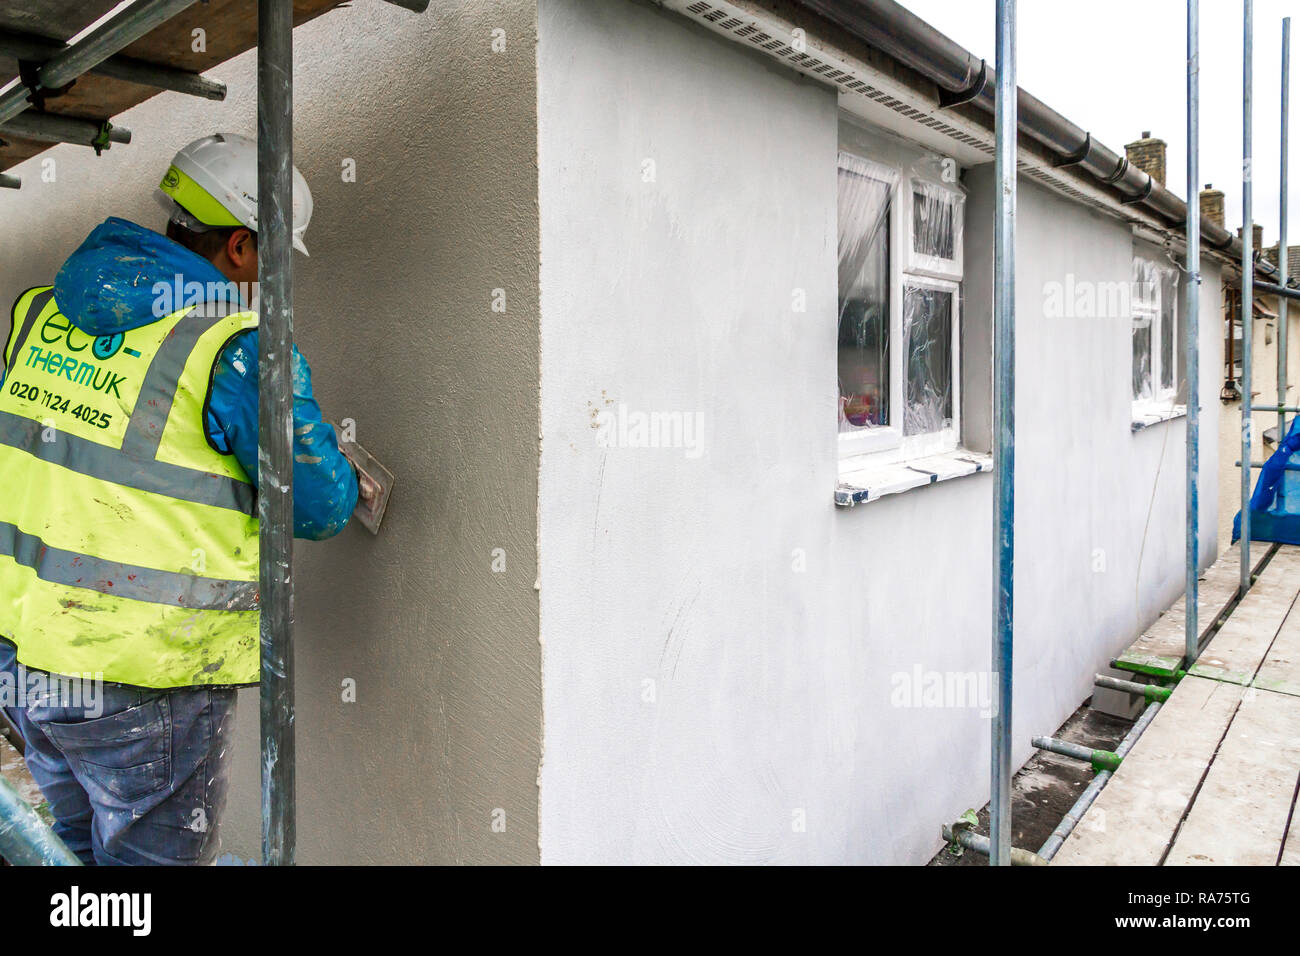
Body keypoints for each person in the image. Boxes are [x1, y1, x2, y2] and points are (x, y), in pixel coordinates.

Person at [0, 132, 359, 865]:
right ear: (236, 247)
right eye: (273, 255)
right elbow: (318, 504)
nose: (272, 275)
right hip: (145, 677)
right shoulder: (236, 345)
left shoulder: (40, 310)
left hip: (25, 653)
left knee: (74, 850)